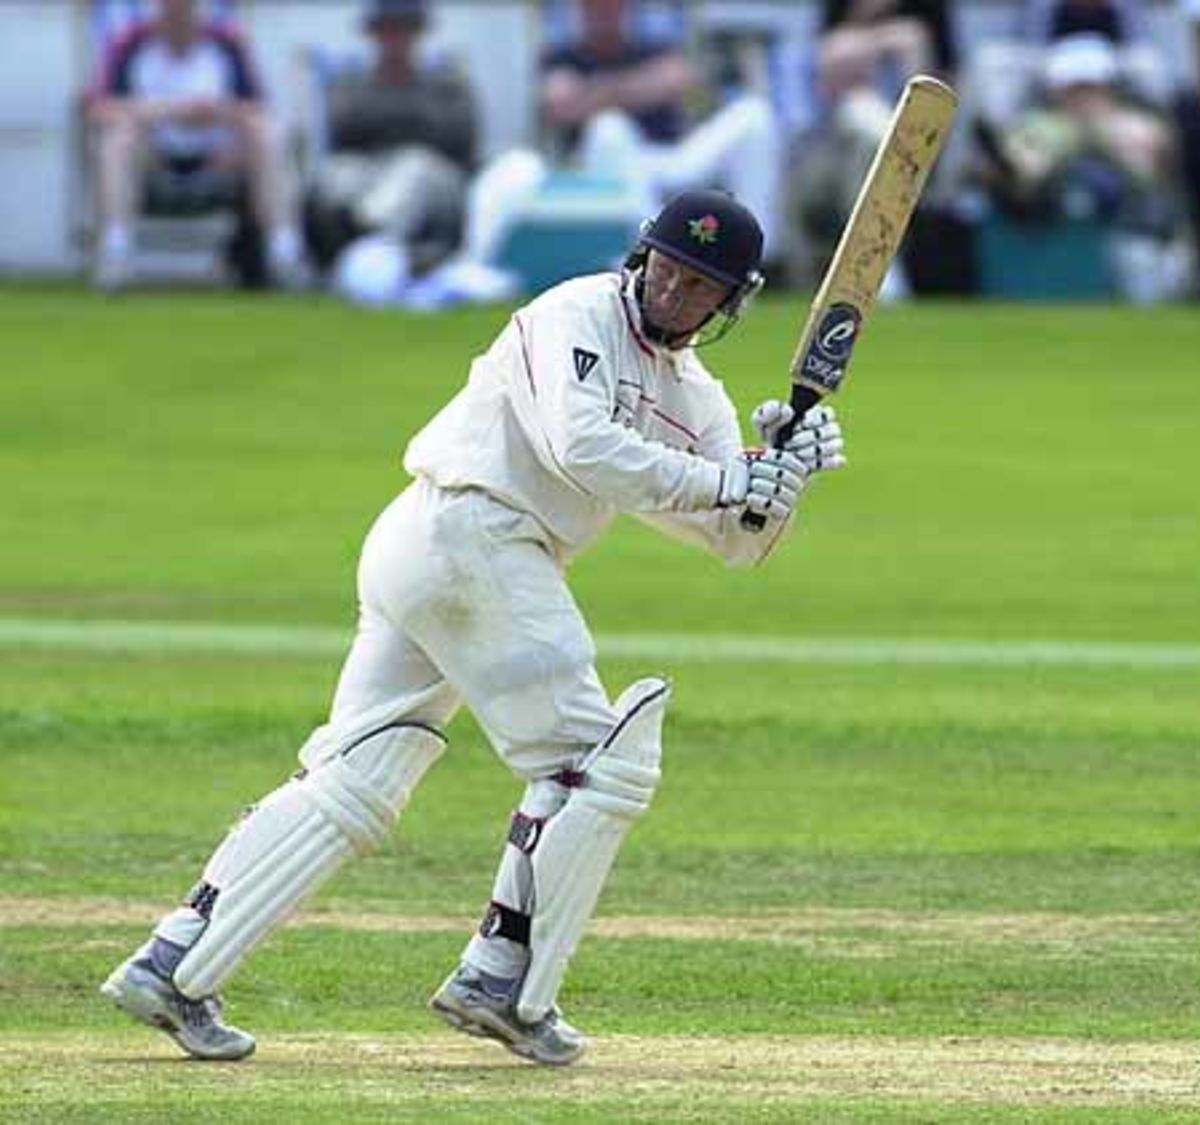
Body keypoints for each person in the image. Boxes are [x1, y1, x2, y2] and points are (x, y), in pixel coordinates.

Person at [98, 189, 848, 1067]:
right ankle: (501, 980)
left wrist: (781, 471)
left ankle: (173, 964)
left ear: (730, 302)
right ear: (643, 257)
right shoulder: (572, 314)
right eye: (670, 270)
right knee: (591, 766)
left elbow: (735, 543)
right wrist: (730, 482)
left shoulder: (693, 392)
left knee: (356, 778)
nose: (676, 293)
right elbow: (585, 448)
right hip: (470, 532)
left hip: (456, 555)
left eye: (701, 287)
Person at [87, 0, 307, 290]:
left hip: (219, 158)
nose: (178, 12)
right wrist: (163, 111)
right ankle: (115, 253)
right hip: (155, 158)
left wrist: (218, 112)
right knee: (117, 141)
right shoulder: (130, 41)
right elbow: (98, 108)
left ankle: (285, 253)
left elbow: (258, 108)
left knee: (268, 135)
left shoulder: (226, 42)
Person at [304, 0, 478, 279]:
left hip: (434, 179)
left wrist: (394, 119)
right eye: (387, 31)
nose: (395, 39)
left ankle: (370, 230)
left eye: (403, 30)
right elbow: (343, 131)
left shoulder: (447, 84)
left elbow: (457, 138)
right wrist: (406, 117)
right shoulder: (350, 84)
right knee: (337, 173)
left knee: (413, 165)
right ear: (374, 35)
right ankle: (351, 247)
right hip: (369, 169)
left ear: (417, 34)